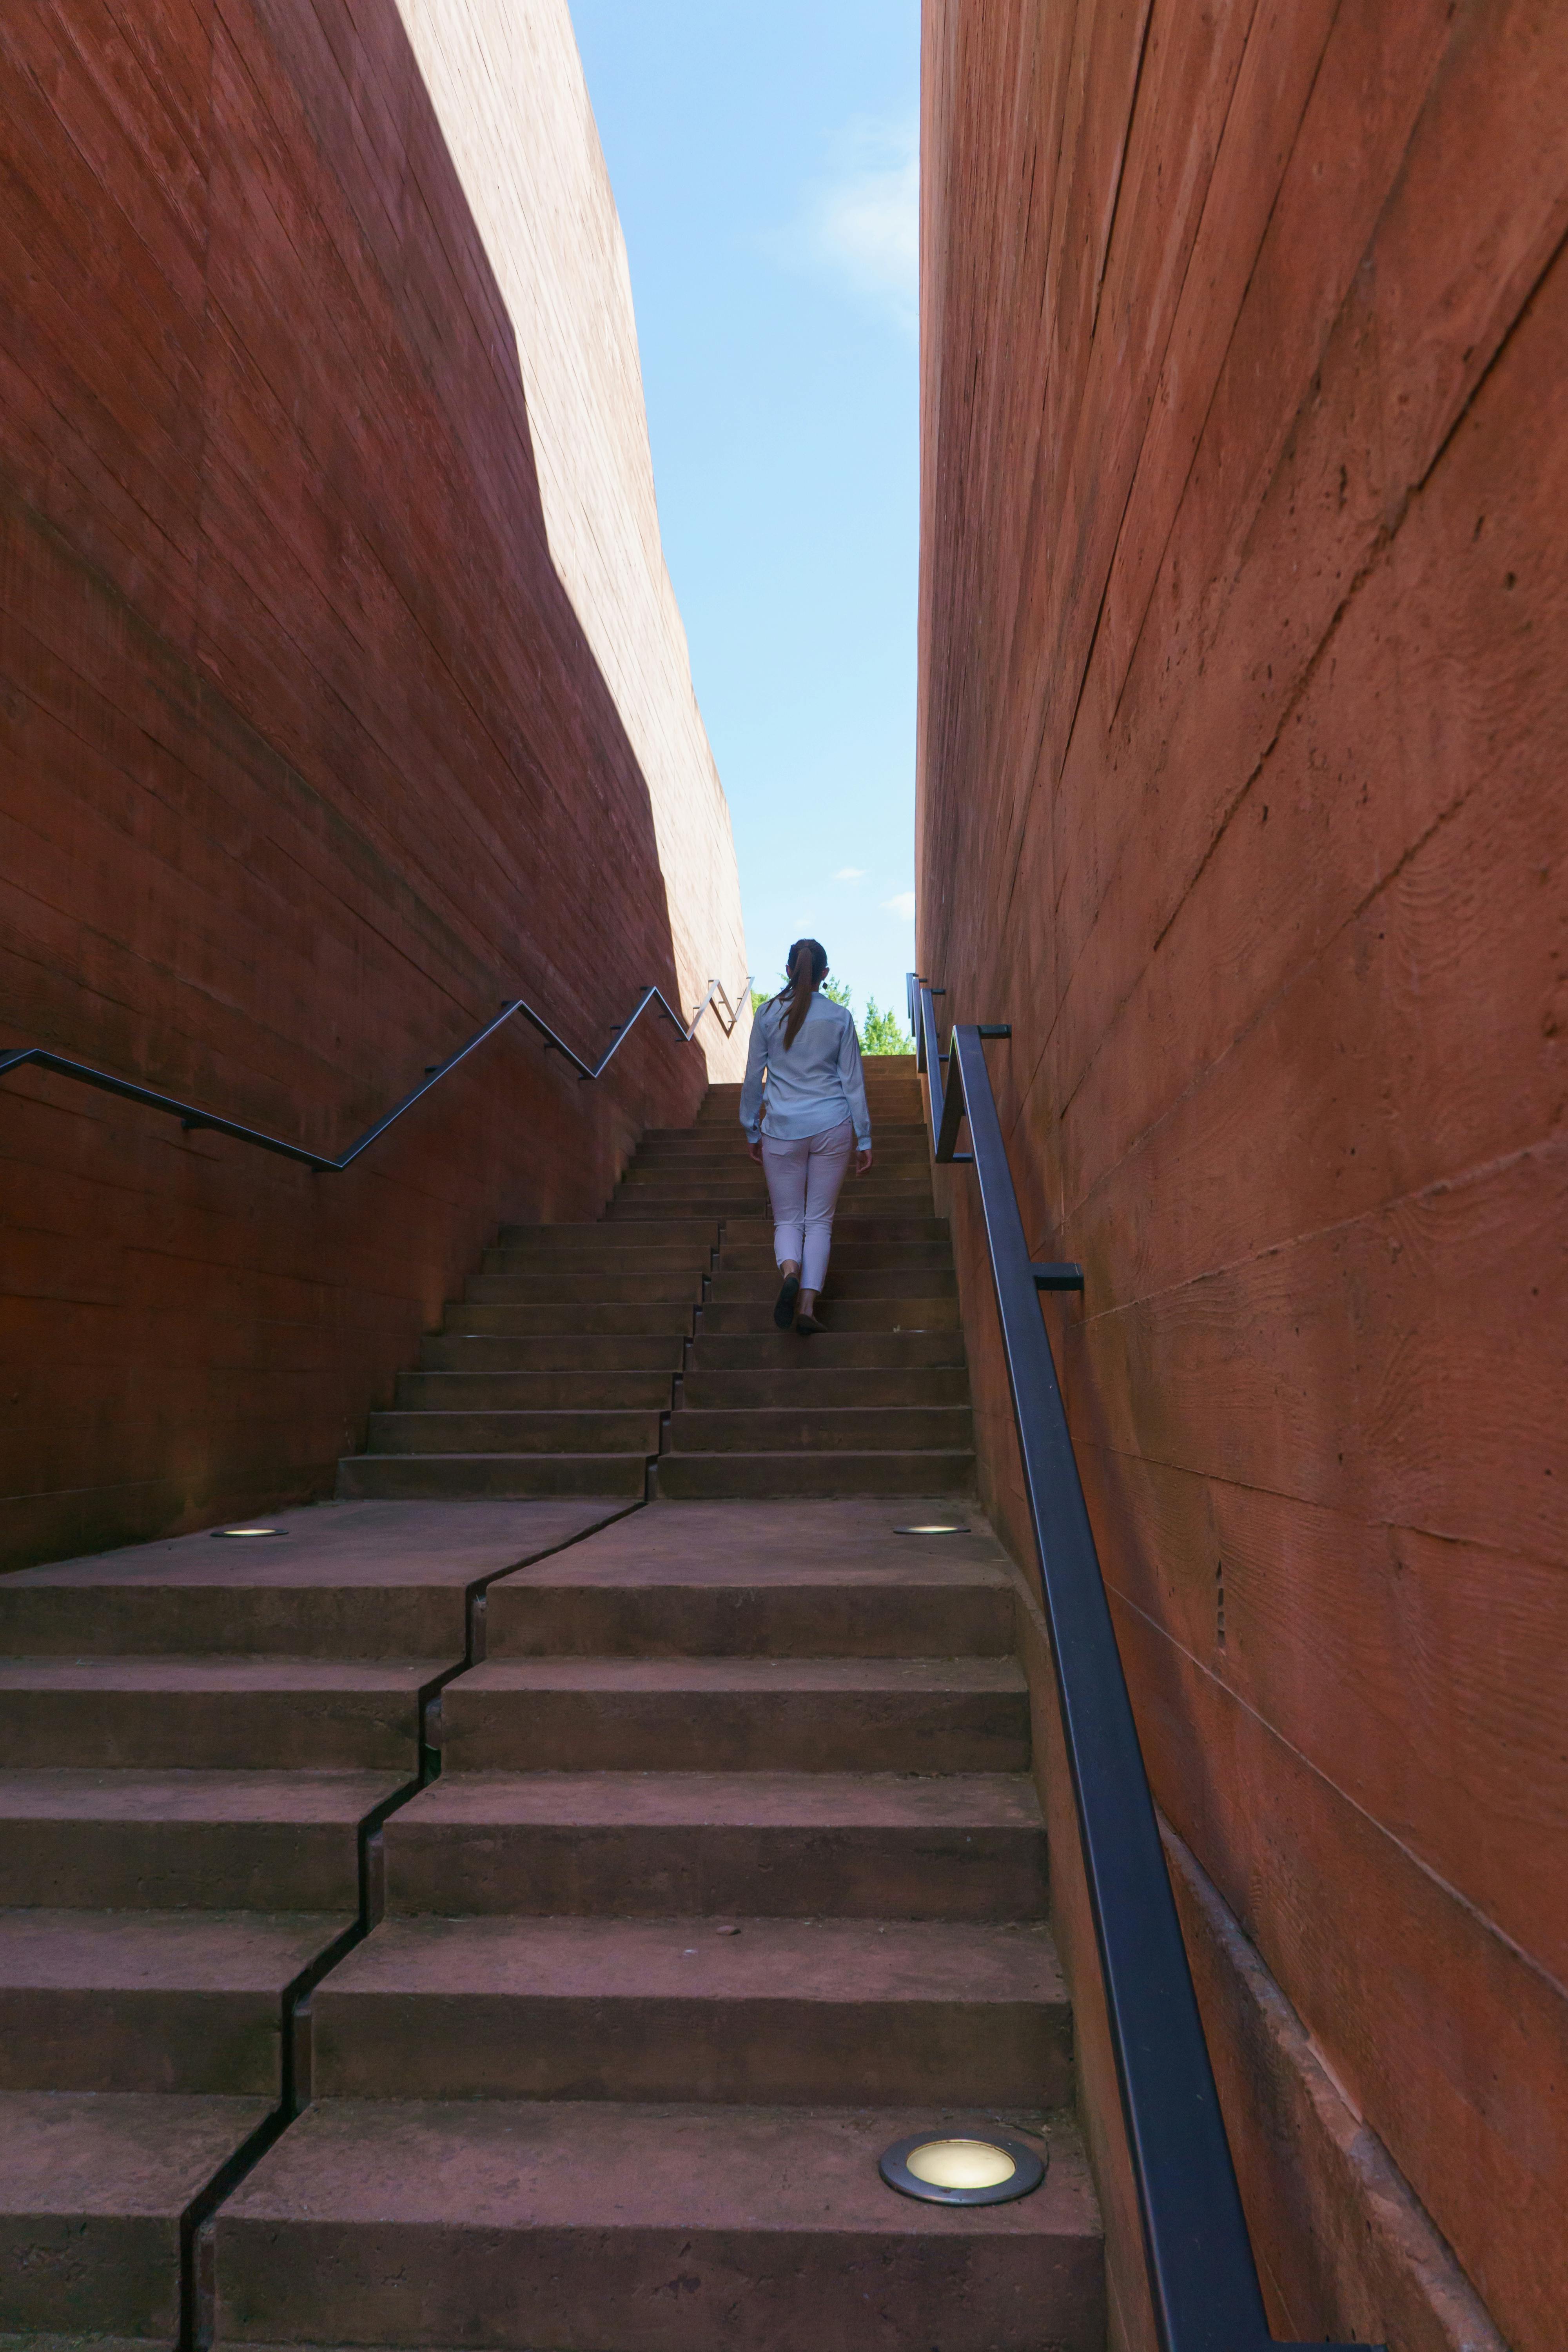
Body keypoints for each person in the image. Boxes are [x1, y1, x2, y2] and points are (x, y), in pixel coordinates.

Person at [739, 938, 872, 1333]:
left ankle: (790, 1273)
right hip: (832, 1125)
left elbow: (753, 1077)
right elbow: (853, 1083)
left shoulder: (766, 1015)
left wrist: (750, 1128)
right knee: (819, 1222)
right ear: (824, 974)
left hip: (781, 1130)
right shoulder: (840, 1017)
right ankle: (807, 1309)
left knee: (787, 1220)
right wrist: (864, 1138)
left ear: (788, 970)